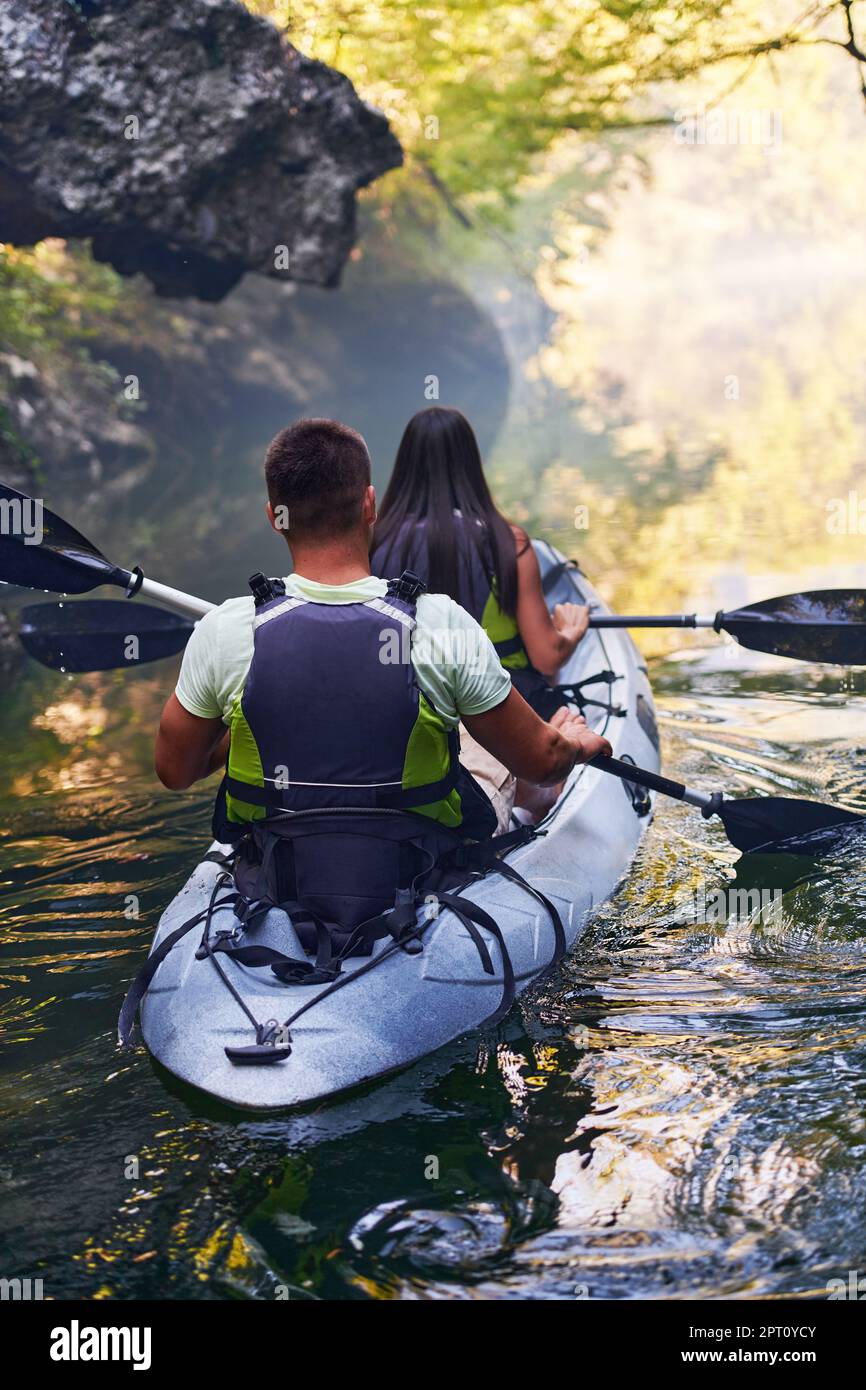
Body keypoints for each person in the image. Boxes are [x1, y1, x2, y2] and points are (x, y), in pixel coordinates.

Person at [154, 419, 611, 915]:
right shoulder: (441, 623)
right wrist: (579, 742)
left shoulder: (225, 630)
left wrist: (250, 712)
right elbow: (541, 761)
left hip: (276, 862)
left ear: (274, 517)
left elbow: (176, 772)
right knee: (483, 739)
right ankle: (529, 812)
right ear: (369, 504)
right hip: (417, 861)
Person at [370, 406, 592, 822]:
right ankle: (540, 796)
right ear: (472, 464)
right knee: (551, 684)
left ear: (405, 466)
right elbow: (546, 657)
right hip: (506, 703)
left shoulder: (374, 541)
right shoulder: (508, 542)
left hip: (410, 702)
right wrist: (571, 632)